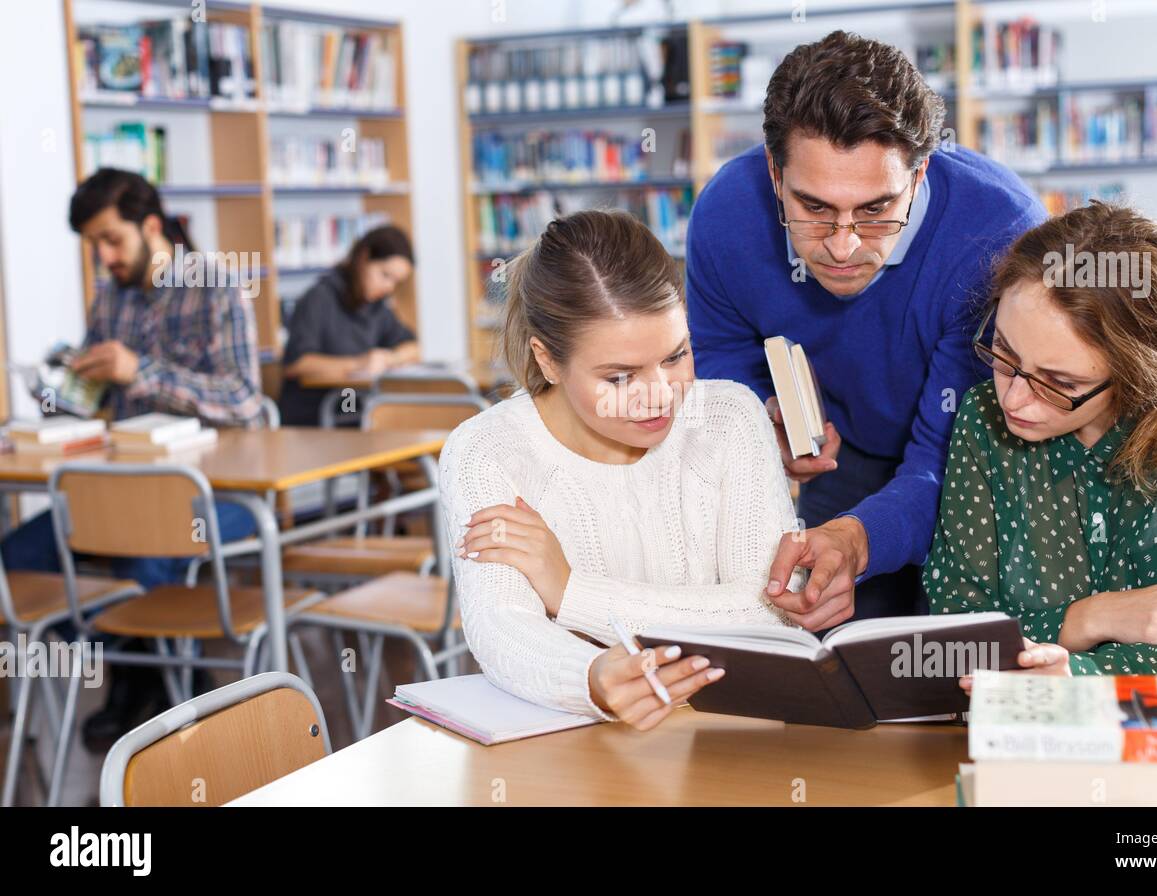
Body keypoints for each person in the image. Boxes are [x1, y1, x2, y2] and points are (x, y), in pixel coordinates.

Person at [686, 30, 1046, 631]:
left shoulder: (999, 237)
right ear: (775, 174)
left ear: (921, 171)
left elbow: (943, 457)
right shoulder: (726, 215)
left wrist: (859, 541)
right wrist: (760, 424)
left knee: (957, 664)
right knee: (833, 657)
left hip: (974, 464)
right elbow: (724, 357)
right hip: (840, 457)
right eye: (816, 208)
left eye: (877, 209)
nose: (843, 246)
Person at [439, 209, 803, 729]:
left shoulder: (729, 416)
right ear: (546, 361)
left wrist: (570, 593)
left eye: (676, 356)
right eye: (619, 377)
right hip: (576, 752)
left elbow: (773, 613)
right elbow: (501, 627)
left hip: (734, 736)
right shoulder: (487, 450)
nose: (660, 396)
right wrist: (592, 679)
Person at [927, 201, 1157, 695]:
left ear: (1140, 377)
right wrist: (1095, 617)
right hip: (1018, 735)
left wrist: (1074, 674)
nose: (1013, 398)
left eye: (1058, 382)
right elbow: (954, 636)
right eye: (1004, 353)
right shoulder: (981, 411)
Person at [0, 168, 263, 744]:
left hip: (217, 494)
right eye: (93, 244)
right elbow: (98, 402)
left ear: (150, 226)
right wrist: (61, 394)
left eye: (111, 240)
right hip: (122, 492)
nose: (103, 257)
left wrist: (139, 372)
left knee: (142, 557)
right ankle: (155, 667)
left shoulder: (216, 285)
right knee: (16, 556)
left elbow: (243, 401)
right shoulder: (111, 299)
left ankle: (141, 686)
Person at [278, 225, 419, 425]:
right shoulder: (319, 299)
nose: (389, 287)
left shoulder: (376, 306)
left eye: (396, 282)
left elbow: (412, 347)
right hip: (315, 417)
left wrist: (389, 358)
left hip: (354, 409)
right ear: (363, 258)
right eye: (385, 275)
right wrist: (359, 364)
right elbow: (296, 365)